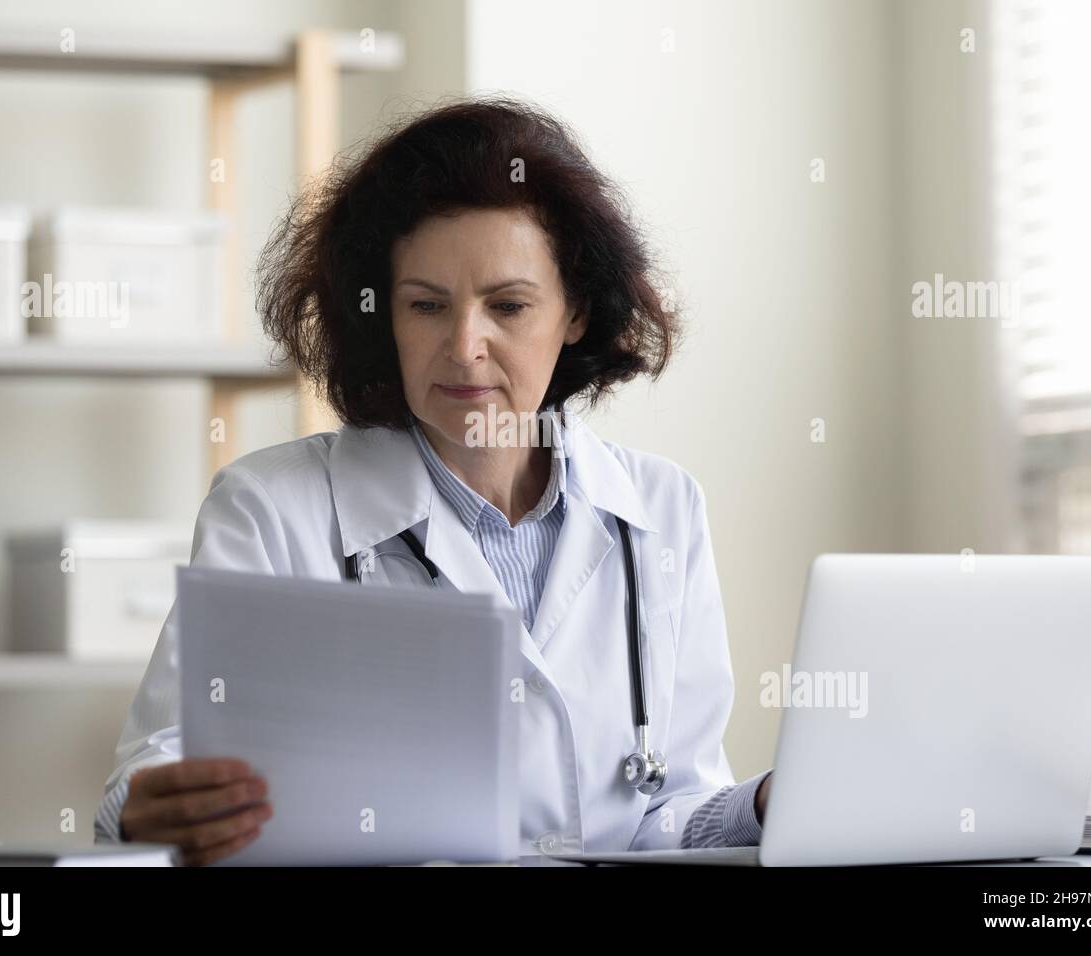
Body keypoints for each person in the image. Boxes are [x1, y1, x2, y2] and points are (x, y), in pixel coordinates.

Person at [94, 95, 772, 865]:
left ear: (576, 311)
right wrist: (147, 810)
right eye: (426, 306)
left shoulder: (661, 509)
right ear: (383, 315)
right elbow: (157, 774)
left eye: (508, 306)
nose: (464, 345)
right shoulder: (269, 510)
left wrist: (758, 805)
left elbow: (668, 813)